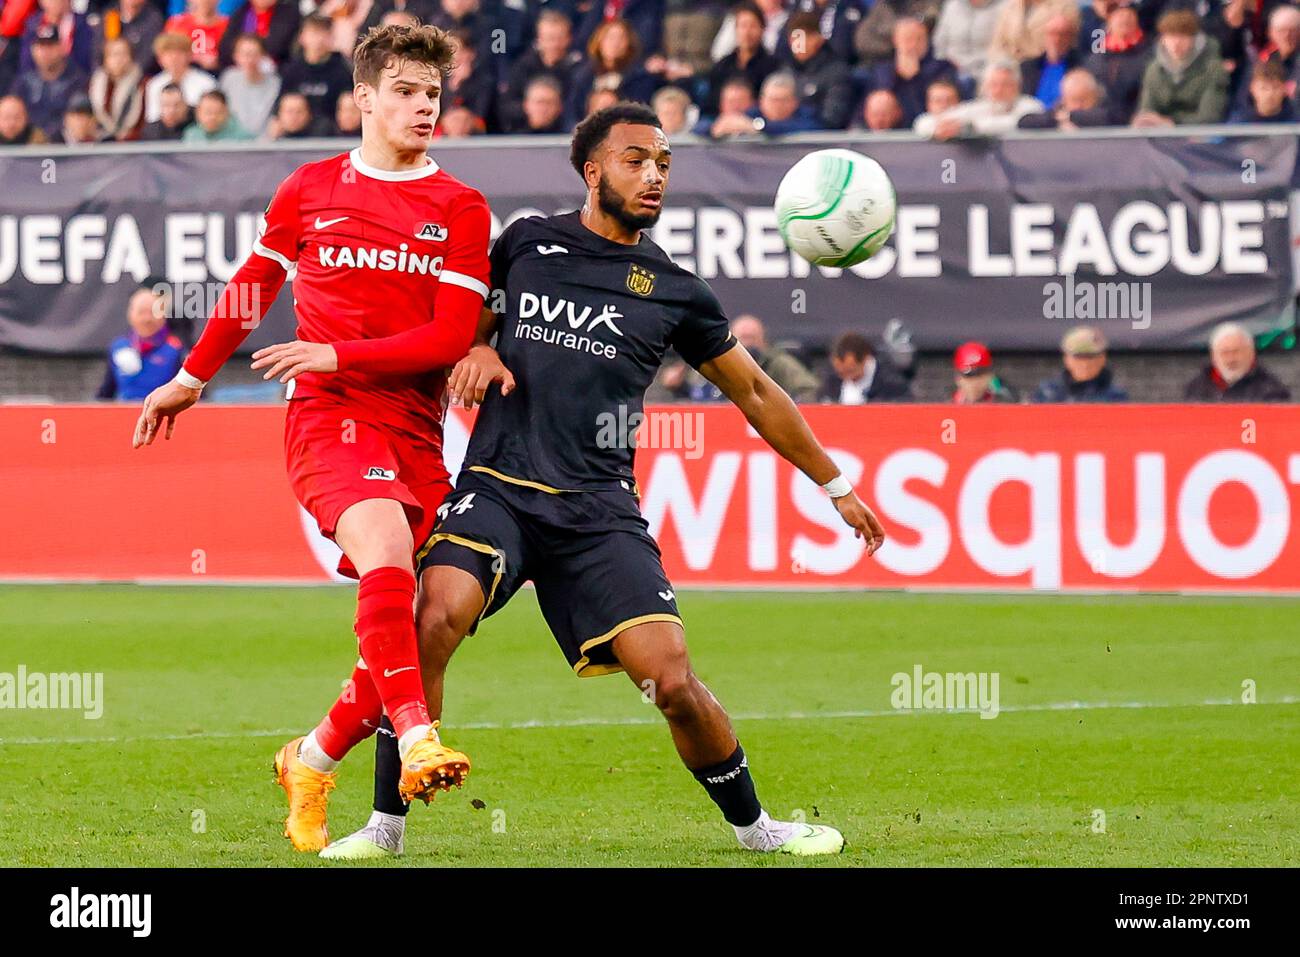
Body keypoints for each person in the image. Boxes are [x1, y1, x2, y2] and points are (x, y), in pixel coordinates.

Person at [269, 102, 885, 860]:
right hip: (497, 487)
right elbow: (458, 322)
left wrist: (834, 484)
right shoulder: (526, 245)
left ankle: (757, 828)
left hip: (598, 510)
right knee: (430, 622)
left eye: (662, 163)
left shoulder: (674, 289)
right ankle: (385, 826)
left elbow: (756, 393)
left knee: (672, 680)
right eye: (635, 160)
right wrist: (481, 350)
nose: (653, 175)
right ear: (593, 171)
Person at [132, 22, 493, 852]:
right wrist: (191, 376)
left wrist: (337, 344)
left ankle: (314, 754)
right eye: (405, 91)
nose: (423, 106)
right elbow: (252, 283)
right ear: (364, 97)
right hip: (329, 413)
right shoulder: (310, 187)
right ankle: (416, 737)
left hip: (415, 427)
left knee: (429, 615)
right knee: (388, 555)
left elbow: (446, 340)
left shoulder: (461, 207)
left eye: (433, 93)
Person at [1131, 9, 1228, 126]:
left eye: (1183, 36)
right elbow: (1147, 109)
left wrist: (1172, 122)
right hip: (1159, 138)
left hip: (1201, 139)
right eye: (1171, 36)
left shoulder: (1213, 69)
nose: (1176, 43)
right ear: (1162, 39)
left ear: (1194, 39)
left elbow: (1209, 117)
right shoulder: (1154, 70)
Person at [913, 59, 1043, 137]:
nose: (999, 91)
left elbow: (1016, 123)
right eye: (993, 85)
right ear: (985, 88)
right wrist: (938, 128)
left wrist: (971, 128)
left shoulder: (1030, 105)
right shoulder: (977, 107)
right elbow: (923, 123)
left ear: (1017, 87)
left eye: (1006, 85)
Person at [96, 288, 185, 400]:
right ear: (130, 315)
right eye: (141, 312)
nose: (147, 319)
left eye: (153, 312)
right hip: (126, 412)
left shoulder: (176, 349)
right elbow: (105, 393)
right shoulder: (118, 347)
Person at [869, 17, 956, 125]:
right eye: (908, 39)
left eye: (919, 39)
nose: (913, 45)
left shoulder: (942, 68)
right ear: (896, 41)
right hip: (890, 131)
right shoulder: (883, 71)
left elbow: (925, 110)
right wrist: (898, 75)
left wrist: (914, 78)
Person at [702, 1, 780, 116]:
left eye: (753, 26)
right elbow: (711, 104)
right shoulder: (722, 66)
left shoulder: (773, 66)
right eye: (743, 26)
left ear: (763, 29)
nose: (747, 32)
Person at [9, 23, 86, 136]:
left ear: (62, 47)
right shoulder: (23, 82)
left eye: (50, 46)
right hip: (28, 144)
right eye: (41, 46)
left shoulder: (78, 81)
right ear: (33, 50)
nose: (45, 52)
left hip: (65, 145)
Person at [1182, 322, 1292, 401]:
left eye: (1236, 352)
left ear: (1251, 352)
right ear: (1213, 355)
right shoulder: (1197, 387)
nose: (1230, 359)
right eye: (1225, 352)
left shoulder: (1272, 389)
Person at [783, 10, 855, 130]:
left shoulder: (837, 73)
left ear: (819, 38)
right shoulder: (785, 71)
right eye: (793, 38)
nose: (797, 44)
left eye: (802, 37)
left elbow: (832, 120)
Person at [1083, 2, 1151, 124]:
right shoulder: (1095, 59)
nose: (1124, 18)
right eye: (1118, 15)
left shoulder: (1149, 55)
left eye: (1129, 14)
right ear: (1109, 20)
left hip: (1135, 124)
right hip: (1099, 123)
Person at [277, 15, 352, 123]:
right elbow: (280, 103)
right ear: (302, 37)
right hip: (297, 129)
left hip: (333, 131)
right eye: (314, 33)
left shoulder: (343, 68)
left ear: (332, 37)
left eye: (324, 33)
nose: (319, 39)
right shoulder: (291, 69)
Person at [731, 315, 820, 402]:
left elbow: (809, 387)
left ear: (763, 340)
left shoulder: (778, 363)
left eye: (752, 338)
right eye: (744, 338)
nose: (748, 343)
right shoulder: (724, 362)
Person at [1031, 325, 1128, 402]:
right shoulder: (1048, 394)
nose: (1084, 364)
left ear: (1102, 358)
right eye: (1078, 357)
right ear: (1066, 359)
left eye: (1090, 357)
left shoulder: (1115, 397)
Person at [144, 31, 216, 123]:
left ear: (189, 56)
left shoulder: (206, 83)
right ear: (159, 59)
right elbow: (152, 118)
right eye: (168, 54)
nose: (174, 58)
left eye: (179, 53)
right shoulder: (154, 84)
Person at [822, 331, 912, 402]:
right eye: (840, 373)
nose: (846, 377)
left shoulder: (892, 384)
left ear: (866, 359)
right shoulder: (832, 382)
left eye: (851, 371)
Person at [219, 32, 279, 135]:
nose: (250, 60)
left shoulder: (275, 83)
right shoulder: (228, 78)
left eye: (255, 54)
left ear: (263, 56)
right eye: (245, 54)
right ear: (236, 56)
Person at [1018, 12, 1082, 108]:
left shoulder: (1082, 66)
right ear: (1044, 36)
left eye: (1062, 34)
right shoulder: (1028, 67)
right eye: (1052, 33)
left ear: (1071, 38)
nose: (1057, 39)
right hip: (1033, 117)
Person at [1017, 66, 1115, 127]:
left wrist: (1069, 116)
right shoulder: (1057, 114)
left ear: (1094, 96)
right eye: (1073, 100)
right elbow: (1024, 122)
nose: (1078, 106)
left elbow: (1109, 118)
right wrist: (1057, 119)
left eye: (1083, 100)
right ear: (1064, 99)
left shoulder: (1105, 115)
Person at [932, 0, 1004, 81]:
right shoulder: (952, 5)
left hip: (990, 70)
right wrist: (949, 64)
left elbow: (1007, 46)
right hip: (952, 69)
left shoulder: (1005, 6)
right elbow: (939, 42)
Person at [88, 35, 144, 140]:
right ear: (105, 59)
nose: (119, 59)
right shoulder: (95, 84)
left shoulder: (142, 84)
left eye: (124, 54)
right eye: (114, 54)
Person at [164, 0, 228, 74]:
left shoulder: (228, 25)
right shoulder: (177, 24)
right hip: (184, 75)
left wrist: (218, 61)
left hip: (219, 74)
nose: (205, 1)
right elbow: (167, 53)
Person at [1228, 57, 1295, 121]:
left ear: (1284, 89)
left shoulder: (1296, 124)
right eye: (1263, 88)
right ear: (1252, 88)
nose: (1270, 94)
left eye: (1275, 87)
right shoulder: (1238, 125)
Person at [951, 340, 1017, 403]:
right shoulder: (946, 402)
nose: (975, 383)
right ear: (957, 378)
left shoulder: (1003, 402)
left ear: (990, 376)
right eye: (968, 375)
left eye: (980, 375)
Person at [182, 87, 250, 140]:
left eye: (217, 112)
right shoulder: (191, 135)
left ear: (227, 112)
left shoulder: (243, 137)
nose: (212, 117)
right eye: (208, 112)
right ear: (198, 113)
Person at [265, 89, 332, 137]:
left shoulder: (323, 134)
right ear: (279, 114)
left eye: (299, 112)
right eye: (289, 111)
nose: (294, 117)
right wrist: (271, 139)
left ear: (309, 114)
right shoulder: (270, 133)